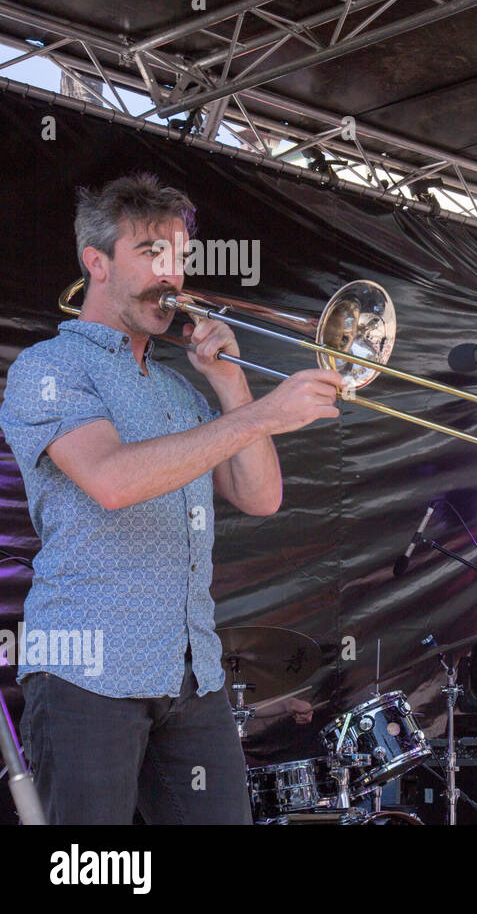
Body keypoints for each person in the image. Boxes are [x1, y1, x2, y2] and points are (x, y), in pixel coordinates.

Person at [0, 173, 343, 824]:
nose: (173, 275)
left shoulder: (179, 393)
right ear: (95, 263)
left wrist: (233, 385)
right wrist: (258, 418)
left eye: (180, 258)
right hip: (86, 673)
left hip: (191, 672)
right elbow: (113, 480)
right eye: (152, 253)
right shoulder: (49, 369)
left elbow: (261, 496)